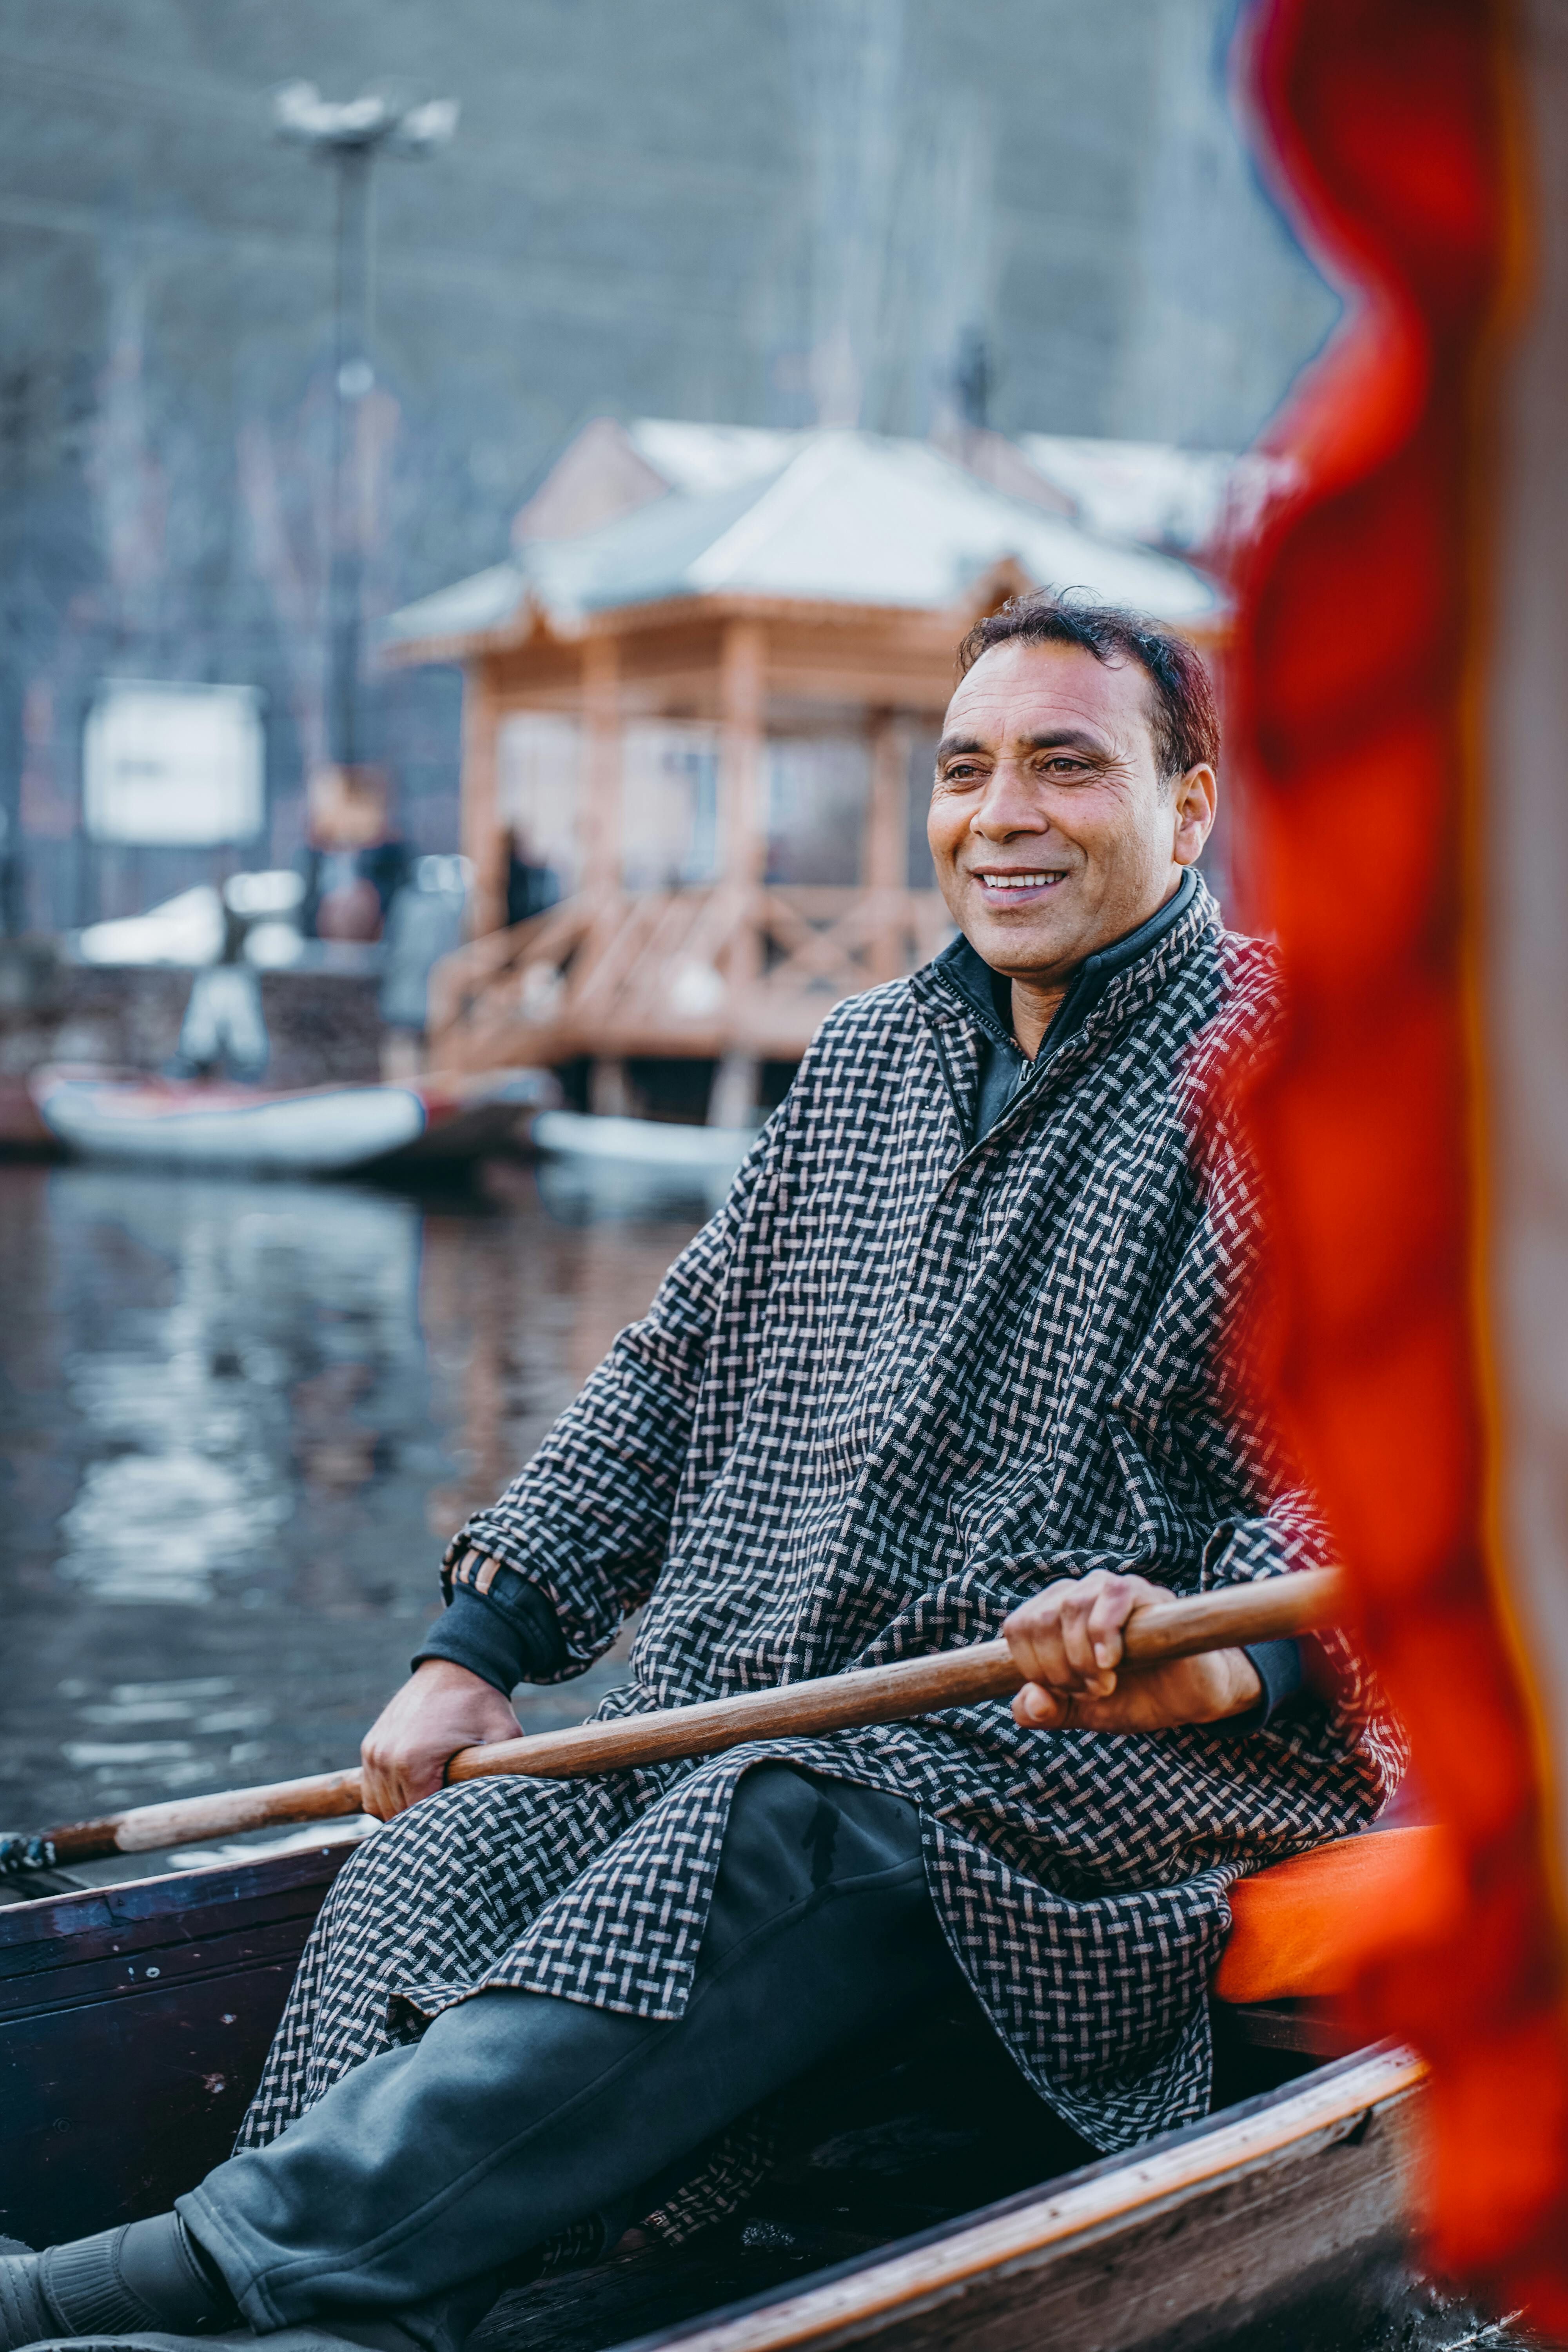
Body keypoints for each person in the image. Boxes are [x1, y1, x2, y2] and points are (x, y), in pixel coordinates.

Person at [0, 596, 1402, 2352]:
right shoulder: (864, 1062)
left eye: (1067, 766)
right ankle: (358, 2319)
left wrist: (1214, 1652)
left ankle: (211, 2283)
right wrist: (476, 1649)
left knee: (775, 1834)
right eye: (965, 771)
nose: (1004, 814)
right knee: (455, 1842)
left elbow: (1386, 1459)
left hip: (1093, 1769)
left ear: (1188, 807)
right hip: (757, 1693)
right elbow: (664, 1381)